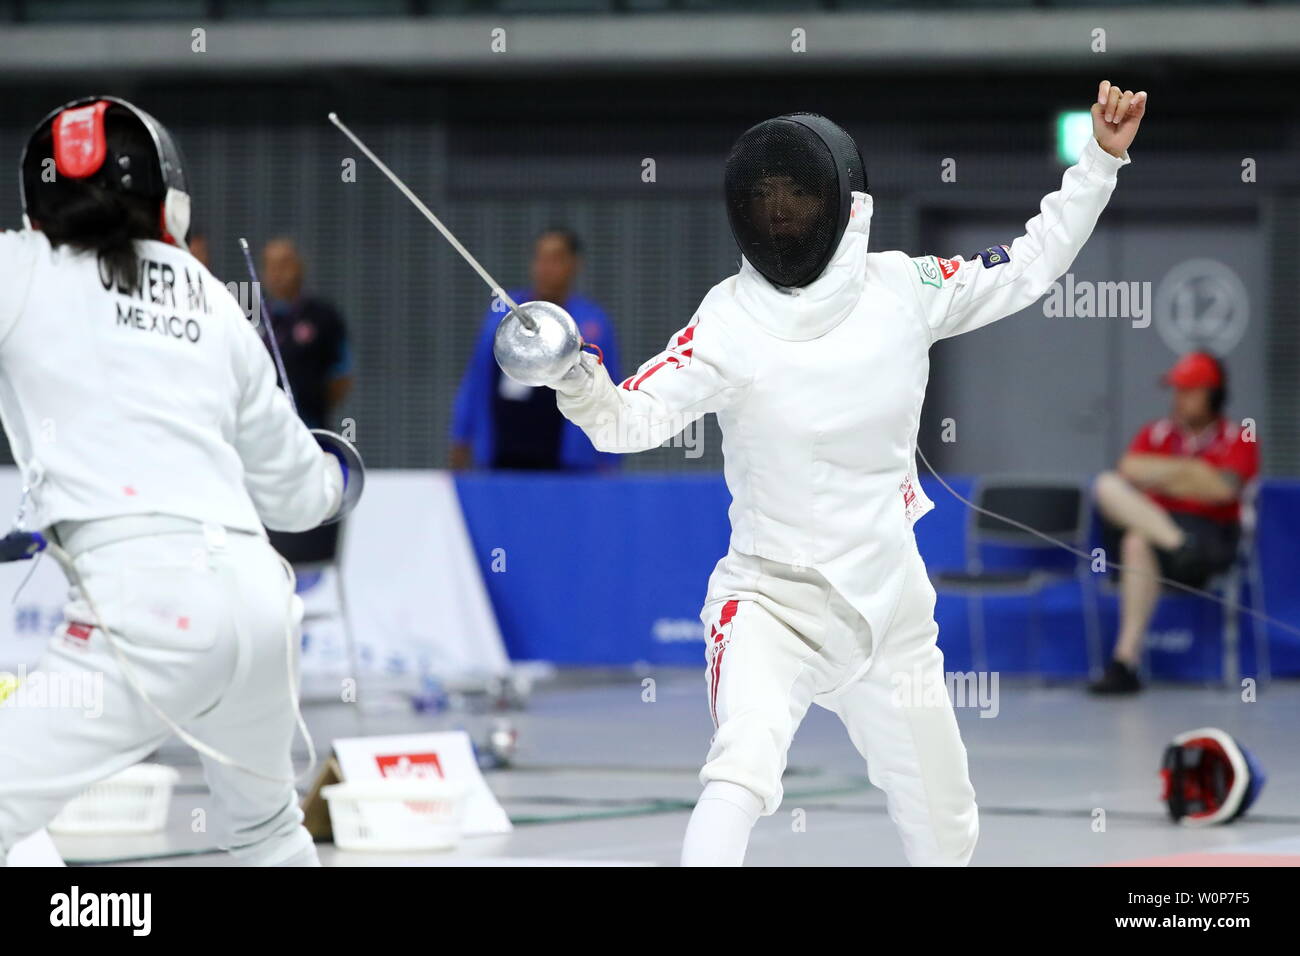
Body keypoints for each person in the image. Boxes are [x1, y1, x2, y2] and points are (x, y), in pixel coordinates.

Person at [537, 82, 1144, 866]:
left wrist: (1099, 159)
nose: (779, 210)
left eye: (797, 190)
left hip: (889, 608)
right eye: (763, 194)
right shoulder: (728, 321)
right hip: (770, 603)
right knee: (740, 773)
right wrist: (576, 380)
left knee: (948, 823)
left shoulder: (906, 288)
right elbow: (627, 420)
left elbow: (1030, 266)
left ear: (844, 202)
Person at [0, 97, 362, 867]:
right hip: (259, 607)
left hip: (142, 605)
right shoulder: (210, 297)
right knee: (267, 837)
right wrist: (339, 479)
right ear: (168, 196)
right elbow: (297, 493)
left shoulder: (21, 270)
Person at [1090, 352, 1258, 695]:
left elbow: (1222, 490)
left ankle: (1180, 544)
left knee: (1138, 538)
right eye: (1177, 390)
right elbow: (1129, 471)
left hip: (1212, 538)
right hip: (1165, 535)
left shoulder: (1241, 436)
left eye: (1189, 391)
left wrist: (1163, 475)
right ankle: (1125, 663)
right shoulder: (1155, 432)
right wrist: (1193, 471)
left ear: (1214, 395)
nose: (1178, 399)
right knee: (1112, 497)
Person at [451, 228, 620, 471]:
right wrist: (461, 439)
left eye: (555, 259)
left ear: (574, 264)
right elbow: (476, 379)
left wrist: (610, 459)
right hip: (503, 453)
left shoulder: (593, 322)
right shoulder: (503, 313)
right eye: (540, 259)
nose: (545, 268)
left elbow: (610, 390)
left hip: (567, 460)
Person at [260, 238, 354, 432]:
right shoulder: (251, 319)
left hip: (311, 428)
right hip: (263, 431)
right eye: (271, 266)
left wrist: (313, 404)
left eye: (284, 265)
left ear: (299, 267)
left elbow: (341, 377)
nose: (277, 274)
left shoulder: (324, 317)